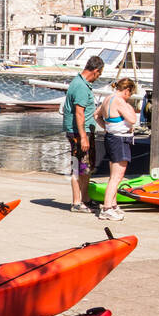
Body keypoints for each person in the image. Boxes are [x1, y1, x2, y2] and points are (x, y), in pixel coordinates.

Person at [62, 55, 105, 213]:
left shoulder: (80, 82)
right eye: (99, 74)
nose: (98, 77)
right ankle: (76, 202)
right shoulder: (80, 86)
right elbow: (79, 113)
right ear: (95, 71)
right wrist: (84, 137)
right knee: (78, 167)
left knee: (86, 167)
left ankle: (85, 199)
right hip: (79, 133)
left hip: (83, 131)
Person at [96, 77, 139, 221]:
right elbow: (132, 119)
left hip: (112, 137)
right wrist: (129, 107)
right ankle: (107, 208)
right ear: (127, 90)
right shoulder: (119, 101)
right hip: (120, 139)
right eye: (130, 94)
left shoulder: (108, 99)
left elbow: (96, 115)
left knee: (114, 174)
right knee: (117, 176)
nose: (129, 97)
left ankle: (113, 205)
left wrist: (108, 128)